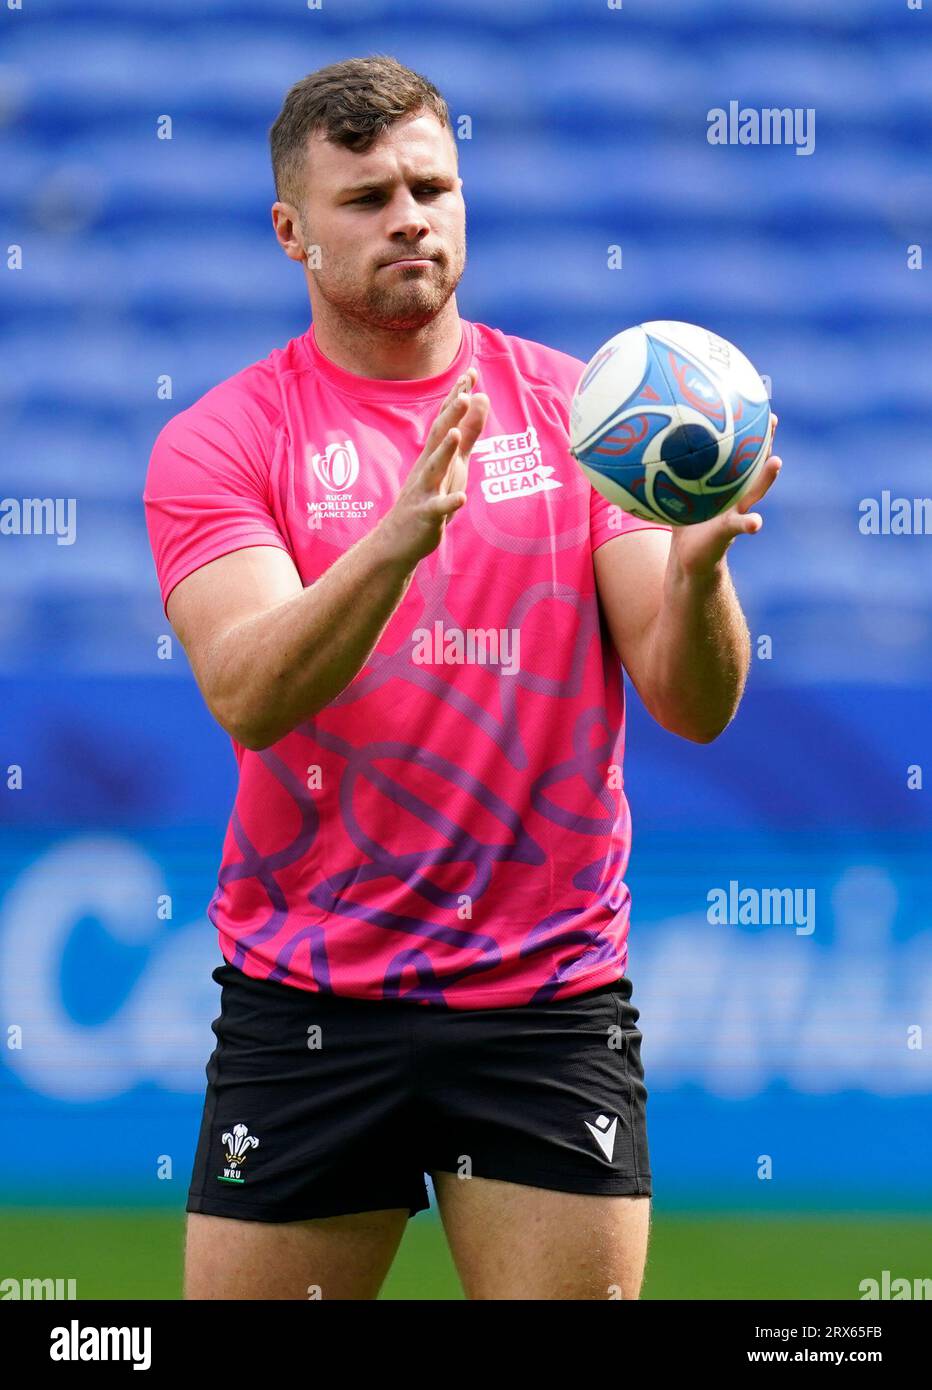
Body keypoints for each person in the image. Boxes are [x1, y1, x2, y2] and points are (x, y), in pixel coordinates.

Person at [143, 54, 781, 1301]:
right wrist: (394, 539)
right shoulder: (223, 439)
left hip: (545, 998)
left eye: (431, 187)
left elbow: (692, 705)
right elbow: (249, 690)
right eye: (366, 197)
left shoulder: (584, 420)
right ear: (291, 231)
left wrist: (701, 575)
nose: (408, 219)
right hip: (308, 996)